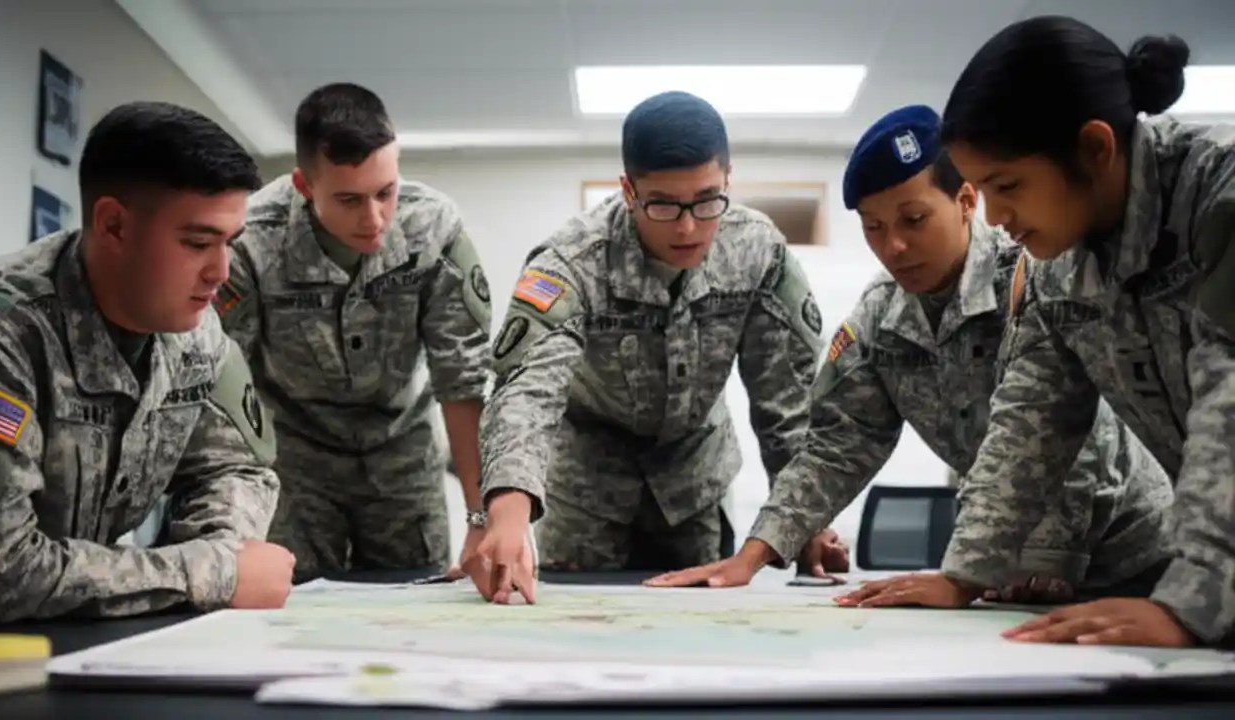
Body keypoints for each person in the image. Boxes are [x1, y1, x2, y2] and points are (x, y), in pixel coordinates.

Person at [646, 105, 1175, 601]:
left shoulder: (1036, 275)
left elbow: (1071, 436)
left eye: (913, 220)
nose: (893, 245)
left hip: (1136, 557)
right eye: (873, 228)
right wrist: (754, 554)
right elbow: (836, 448)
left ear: (967, 202)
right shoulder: (880, 320)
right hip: (1012, 570)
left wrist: (1036, 564)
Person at [859, 16, 1233, 647]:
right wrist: (966, 572)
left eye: (1008, 187)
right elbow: (1029, 420)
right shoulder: (1053, 263)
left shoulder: (1218, 206)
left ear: (1095, 148)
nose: (997, 217)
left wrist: (1191, 600)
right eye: (983, 191)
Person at [467, 91, 840, 604]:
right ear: (628, 190)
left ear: (729, 179)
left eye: (707, 200)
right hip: (586, 492)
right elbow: (527, 389)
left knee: (697, 639)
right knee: (578, 635)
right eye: (662, 204)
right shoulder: (574, 261)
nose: (688, 225)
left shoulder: (759, 252)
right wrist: (508, 505)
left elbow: (788, 407)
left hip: (695, 485)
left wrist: (805, 520)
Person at [0, 101, 290, 622]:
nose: (220, 272)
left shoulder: (198, 332)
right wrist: (209, 572)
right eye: (198, 242)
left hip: (83, 647)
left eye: (230, 244)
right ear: (113, 225)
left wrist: (221, 545)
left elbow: (237, 467)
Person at [214, 83, 493, 582]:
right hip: (293, 457)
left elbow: (463, 378)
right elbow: (228, 381)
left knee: (412, 607)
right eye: (349, 200)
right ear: (304, 185)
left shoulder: (434, 227)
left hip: (401, 454)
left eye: (386, 193)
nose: (374, 218)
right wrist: (234, 519)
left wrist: (479, 518)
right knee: (290, 609)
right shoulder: (250, 239)